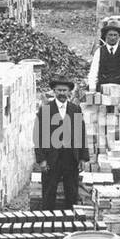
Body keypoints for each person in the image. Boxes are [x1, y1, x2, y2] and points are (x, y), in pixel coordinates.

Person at [34, 75, 89, 210]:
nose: (62, 93)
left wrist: (83, 157)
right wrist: (41, 160)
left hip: (71, 158)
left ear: (69, 92)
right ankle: (48, 223)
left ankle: (71, 223)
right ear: (54, 91)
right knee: (49, 193)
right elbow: (38, 136)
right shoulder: (46, 109)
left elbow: (81, 134)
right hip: (52, 159)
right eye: (59, 90)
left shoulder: (75, 109)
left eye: (65, 90)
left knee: (71, 193)